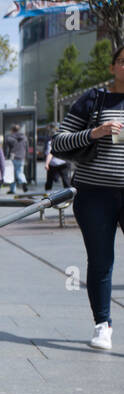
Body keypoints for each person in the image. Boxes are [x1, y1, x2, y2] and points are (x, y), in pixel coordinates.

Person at [51, 43, 124, 351]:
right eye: (122, 61)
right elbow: (58, 142)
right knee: (100, 261)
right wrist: (95, 132)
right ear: (112, 67)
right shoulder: (94, 99)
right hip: (95, 195)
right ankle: (102, 324)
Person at [3, 124, 29, 193]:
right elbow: (27, 148)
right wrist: (26, 157)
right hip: (22, 157)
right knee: (20, 171)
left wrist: (5, 157)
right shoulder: (24, 137)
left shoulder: (9, 138)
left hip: (13, 157)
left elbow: (6, 149)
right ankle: (22, 183)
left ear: (12, 130)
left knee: (12, 174)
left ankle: (15, 188)